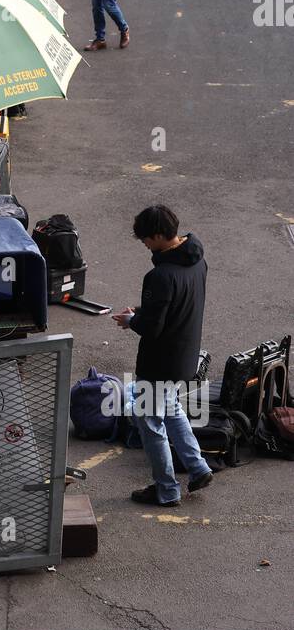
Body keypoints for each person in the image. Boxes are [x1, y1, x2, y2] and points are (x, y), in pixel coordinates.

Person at [112, 205, 213, 508]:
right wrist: (144, 311)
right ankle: (198, 468)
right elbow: (177, 308)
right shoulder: (197, 261)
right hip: (184, 357)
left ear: (158, 236)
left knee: (149, 423)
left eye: (145, 238)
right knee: (171, 408)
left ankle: (166, 490)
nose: (143, 243)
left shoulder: (159, 276)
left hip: (158, 363)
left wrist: (132, 320)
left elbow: (153, 329)